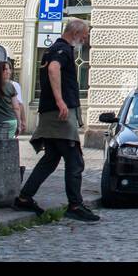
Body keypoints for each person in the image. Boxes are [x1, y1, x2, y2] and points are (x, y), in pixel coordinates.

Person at [13, 18, 99, 222]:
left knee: (50, 159)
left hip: (49, 113)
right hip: (59, 115)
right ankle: (75, 205)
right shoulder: (62, 50)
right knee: (75, 159)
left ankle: (25, 197)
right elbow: (53, 69)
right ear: (76, 33)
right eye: (85, 35)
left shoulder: (51, 49)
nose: (86, 39)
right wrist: (60, 101)